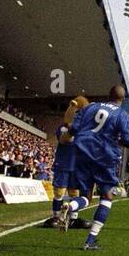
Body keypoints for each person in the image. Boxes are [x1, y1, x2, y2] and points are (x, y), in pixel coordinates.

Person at [57, 86, 129, 250]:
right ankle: (90, 241)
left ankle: (70, 206)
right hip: (104, 157)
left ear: (108, 95)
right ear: (123, 99)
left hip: (82, 154)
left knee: (86, 195)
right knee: (106, 197)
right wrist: (117, 138)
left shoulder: (90, 107)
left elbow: (73, 128)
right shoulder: (122, 115)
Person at [43, 95, 87, 229]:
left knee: (75, 193)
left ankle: (73, 218)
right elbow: (63, 140)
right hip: (63, 164)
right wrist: (72, 130)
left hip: (77, 166)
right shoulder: (63, 128)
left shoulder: (85, 130)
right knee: (59, 192)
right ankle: (56, 216)